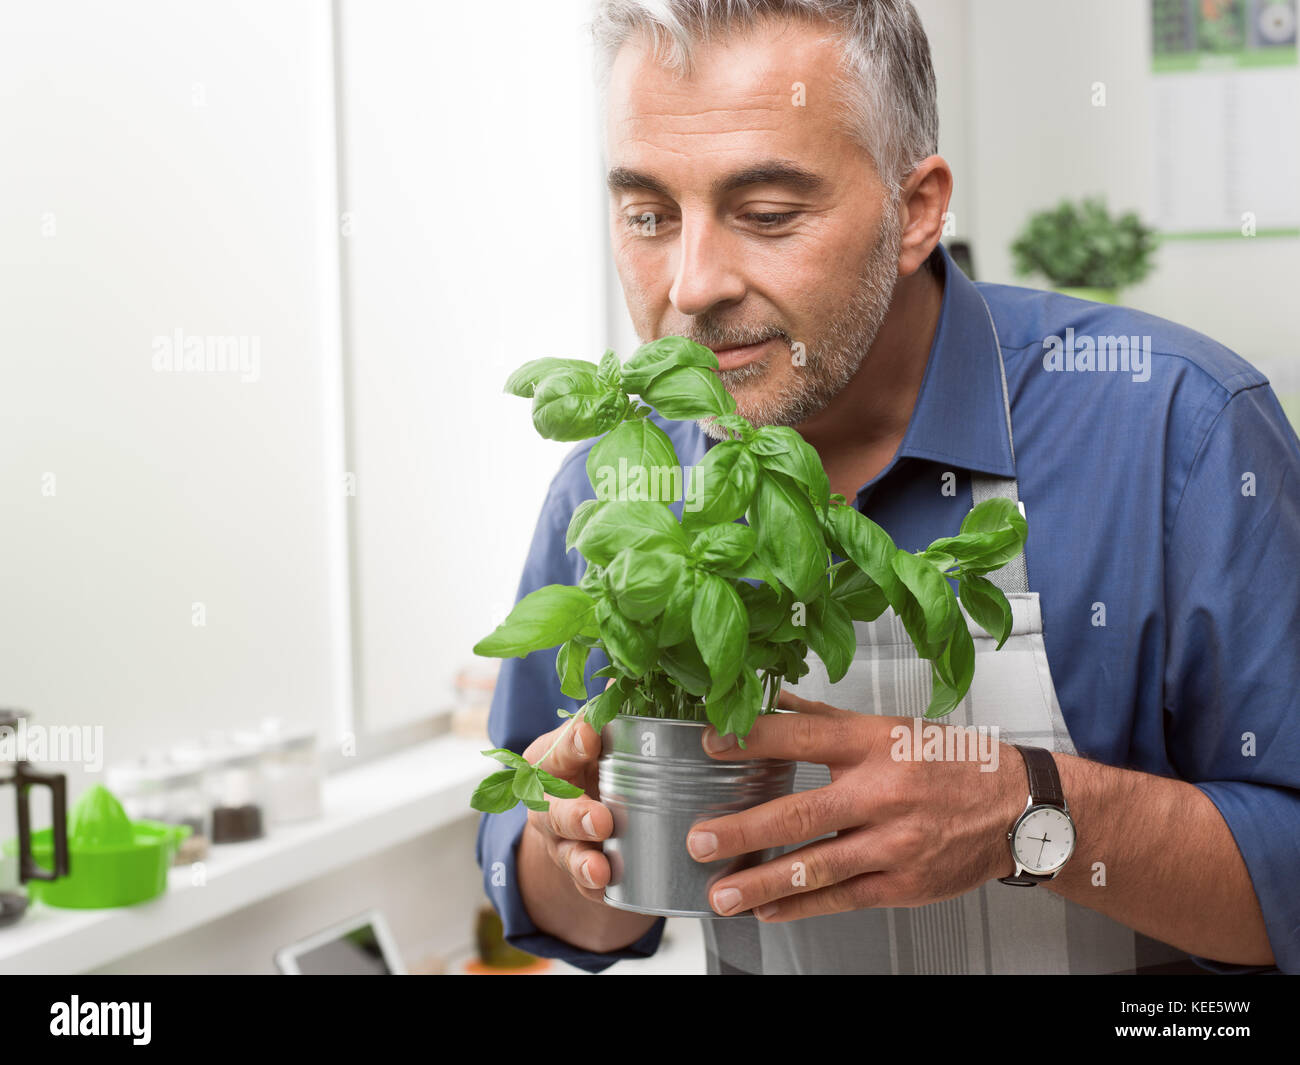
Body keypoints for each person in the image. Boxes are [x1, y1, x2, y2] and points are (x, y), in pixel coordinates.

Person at [476, 0, 1299, 974]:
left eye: (767, 214)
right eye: (649, 215)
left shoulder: (1177, 429)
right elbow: (577, 923)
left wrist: (1023, 812)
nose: (691, 284)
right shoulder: (613, 484)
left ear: (916, 210)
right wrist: (565, 838)